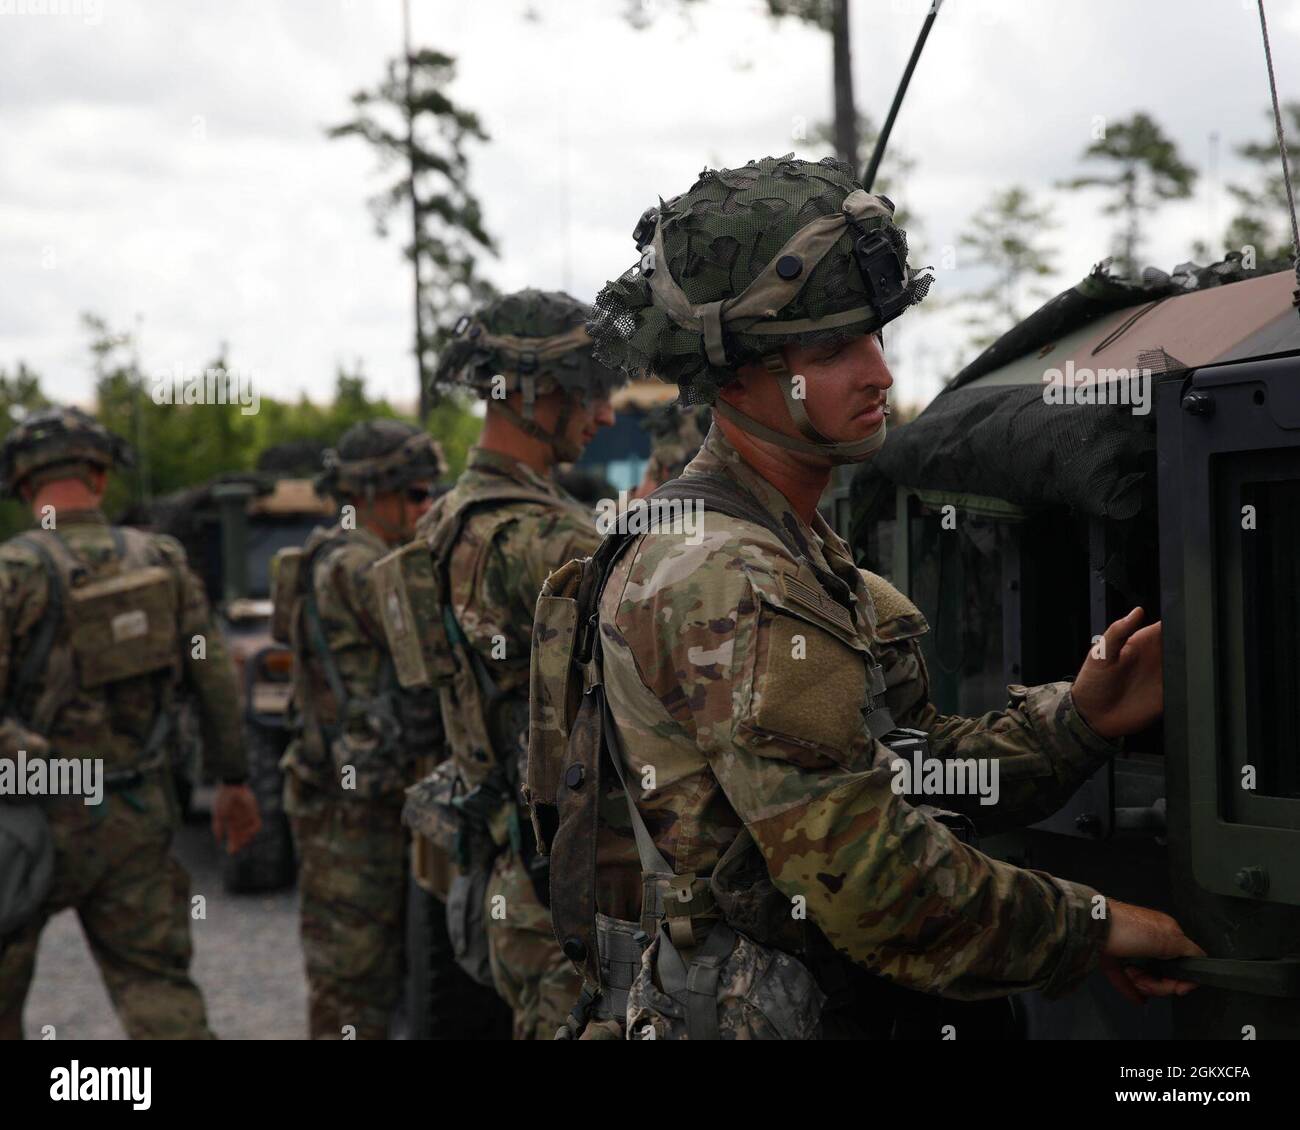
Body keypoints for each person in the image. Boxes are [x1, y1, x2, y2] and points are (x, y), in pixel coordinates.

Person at [528, 155, 1202, 1040]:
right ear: (736, 378)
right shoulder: (726, 575)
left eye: (875, 337)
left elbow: (906, 765)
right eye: (834, 350)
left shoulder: (787, 543)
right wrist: (1095, 923)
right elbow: (871, 882)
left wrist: (1078, 719)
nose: (879, 374)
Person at [376, 288, 624, 1039]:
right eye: (590, 392)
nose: (605, 414)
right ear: (526, 393)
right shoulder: (546, 541)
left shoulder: (448, 518)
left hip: (505, 872)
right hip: (565, 893)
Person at [0, 406, 260, 1039]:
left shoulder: (11, 573)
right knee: (157, 988)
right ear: (99, 475)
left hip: (27, 817)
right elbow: (213, 678)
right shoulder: (162, 560)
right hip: (135, 812)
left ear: (25, 485)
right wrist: (233, 781)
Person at [277, 419, 445, 1039]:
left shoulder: (331, 551)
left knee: (371, 974)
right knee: (353, 984)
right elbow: (434, 659)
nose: (426, 507)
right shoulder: (360, 566)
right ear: (371, 493)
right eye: (416, 494)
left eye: (430, 493)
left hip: (352, 795)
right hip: (351, 807)